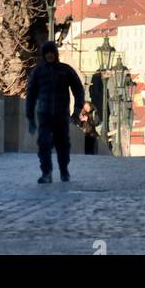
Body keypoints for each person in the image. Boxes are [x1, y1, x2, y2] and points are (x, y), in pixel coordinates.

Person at [25, 40, 85, 184]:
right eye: (47, 53)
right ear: (44, 55)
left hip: (61, 114)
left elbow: (78, 90)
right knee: (44, 144)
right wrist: (30, 117)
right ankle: (46, 173)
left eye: (52, 53)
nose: (50, 56)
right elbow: (31, 94)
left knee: (62, 144)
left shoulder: (65, 70)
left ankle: (64, 170)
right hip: (44, 114)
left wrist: (77, 110)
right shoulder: (38, 72)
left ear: (55, 54)